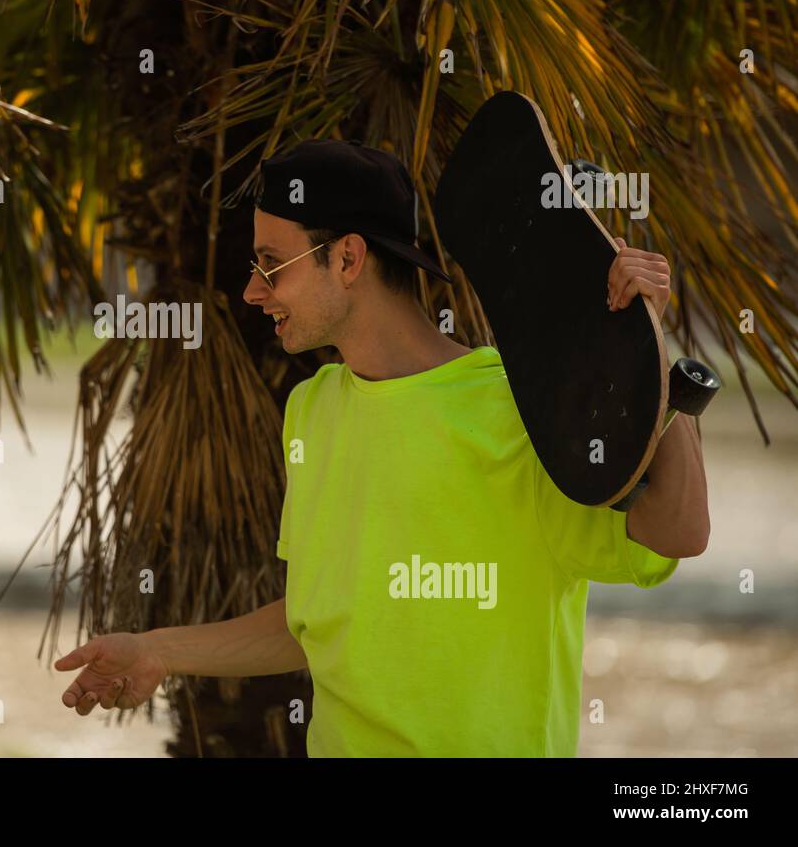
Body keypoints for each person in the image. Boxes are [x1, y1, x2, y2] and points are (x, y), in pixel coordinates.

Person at [55, 139, 709, 756]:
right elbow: (318, 621)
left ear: (347, 258)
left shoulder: (517, 411)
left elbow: (678, 531)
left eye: (270, 264)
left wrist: (643, 341)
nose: (252, 290)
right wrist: (159, 650)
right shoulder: (312, 411)